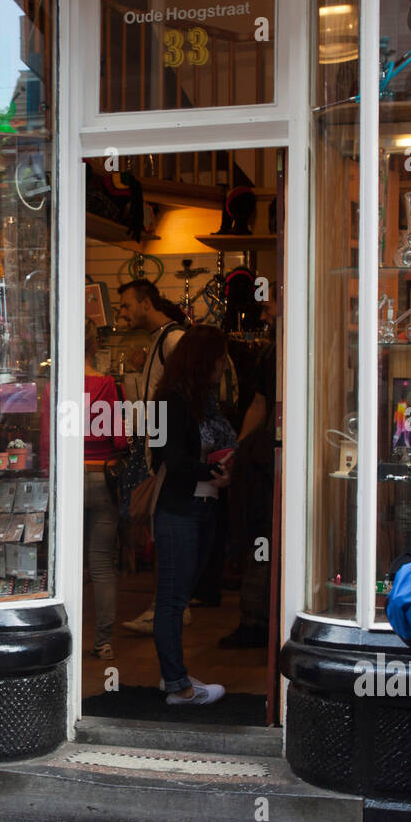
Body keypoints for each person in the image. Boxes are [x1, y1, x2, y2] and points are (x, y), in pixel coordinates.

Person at [151, 325, 237, 705]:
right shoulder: (169, 400)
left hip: (201, 505)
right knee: (172, 599)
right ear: (205, 360)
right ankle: (178, 687)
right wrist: (213, 473)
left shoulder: (203, 399)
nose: (225, 365)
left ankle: (173, 676)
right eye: (220, 358)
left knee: (179, 597)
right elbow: (169, 460)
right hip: (178, 507)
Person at [117, 278, 187, 635]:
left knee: (161, 528)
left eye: (128, 305)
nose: (122, 313)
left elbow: (186, 394)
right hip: (155, 445)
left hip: (165, 450)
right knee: (154, 528)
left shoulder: (173, 339)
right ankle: (165, 605)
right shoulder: (160, 340)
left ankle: (167, 607)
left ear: (146, 303)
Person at [221, 291, 278, 650]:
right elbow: (259, 402)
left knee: (262, 536)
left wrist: (241, 448)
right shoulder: (274, 350)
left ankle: (257, 619)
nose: (264, 307)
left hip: (268, 455)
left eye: (270, 302)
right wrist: (241, 449)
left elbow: (259, 403)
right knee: (264, 537)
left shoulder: (277, 349)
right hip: (267, 455)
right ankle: (258, 617)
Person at [84, 318, 129, 662]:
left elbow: (45, 439)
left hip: (69, 480)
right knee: (101, 565)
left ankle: (63, 637)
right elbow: (119, 439)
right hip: (102, 478)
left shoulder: (57, 386)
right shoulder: (108, 385)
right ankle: (103, 642)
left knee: (61, 564)